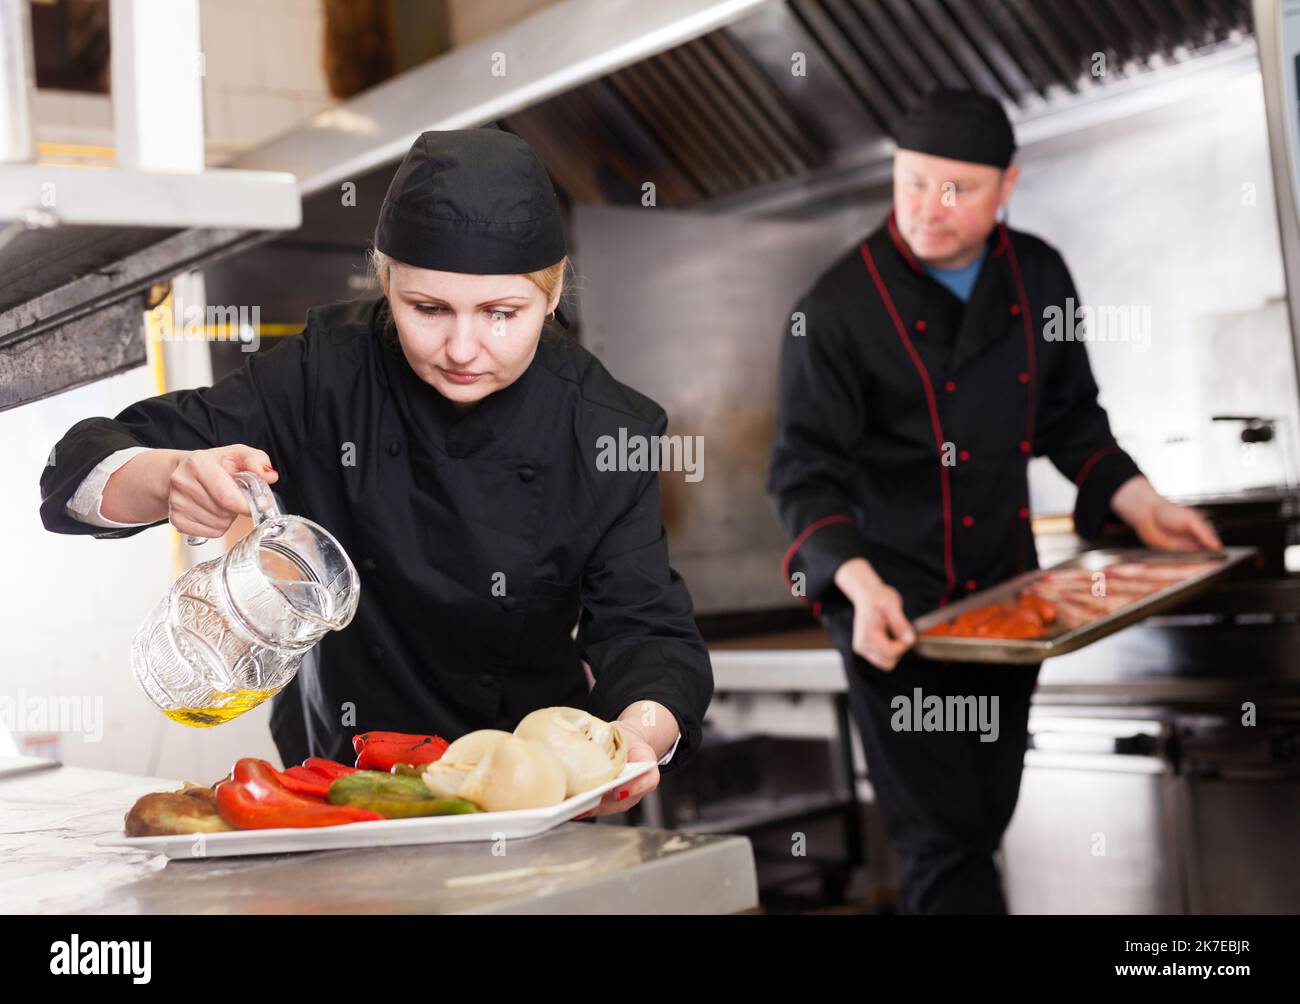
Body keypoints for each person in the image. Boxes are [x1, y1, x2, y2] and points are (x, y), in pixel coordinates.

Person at [41, 128, 713, 816]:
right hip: (341, 791)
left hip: (531, 801)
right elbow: (77, 470)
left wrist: (634, 740)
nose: (460, 348)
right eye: (427, 309)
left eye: (500, 314)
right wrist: (168, 474)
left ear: (553, 291)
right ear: (385, 280)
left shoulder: (604, 426)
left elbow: (647, 629)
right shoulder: (324, 372)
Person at [767, 89, 1220, 908]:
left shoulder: (1036, 273)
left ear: (1007, 186)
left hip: (1006, 606)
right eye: (912, 183)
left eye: (958, 189)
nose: (928, 210)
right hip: (896, 622)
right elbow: (804, 473)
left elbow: (1070, 416)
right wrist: (860, 588)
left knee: (981, 826)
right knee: (942, 845)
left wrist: (1141, 501)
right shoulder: (834, 312)